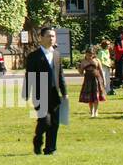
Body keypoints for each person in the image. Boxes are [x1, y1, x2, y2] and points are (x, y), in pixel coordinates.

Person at [22, 26, 67, 154]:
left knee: (55, 122)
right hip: (40, 94)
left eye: (53, 36)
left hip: (54, 94)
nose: (51, 38)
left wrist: (65, 92)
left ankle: (50, 149)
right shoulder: (34, 56)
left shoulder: (57, 55)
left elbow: (60, 75)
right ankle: (38, 140)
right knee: (45, 121)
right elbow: (29, 75)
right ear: (41, 38)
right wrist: (26, 92)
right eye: (48, 36)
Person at [77, 46, 105, 117]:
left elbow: (101, 71)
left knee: (96, 96)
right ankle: (92, 112)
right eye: (88, 54)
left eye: (91, 54)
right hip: (88, 80)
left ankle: (96, 111)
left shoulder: (97, 60)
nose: (89, 56)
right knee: (90, 97)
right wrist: (78, 68)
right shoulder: (83, 61)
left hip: (96, 79)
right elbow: (81, 73)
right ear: (86, 54)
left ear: (93, 54)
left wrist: (103, 80)